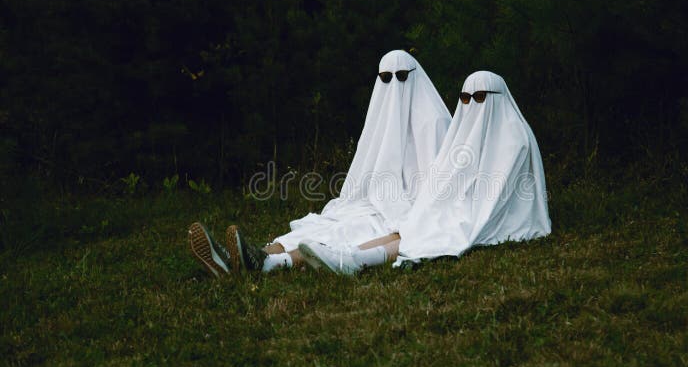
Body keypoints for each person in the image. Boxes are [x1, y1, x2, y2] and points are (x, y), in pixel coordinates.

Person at [188, 50, 451, 277]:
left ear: (414, 76)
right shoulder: (382, 117)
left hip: (408, 211)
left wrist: (403, 209)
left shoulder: (433, 122)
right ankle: (250, 255)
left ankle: (270, 263)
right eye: (385, 78)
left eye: (401, 76)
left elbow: (441, 183)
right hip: (371, 204)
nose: (393, 85)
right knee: (326, 225)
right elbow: (367, 169)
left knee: (349, 233)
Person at [298, 70, 551, 274]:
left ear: (498, 97)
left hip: (492, 213)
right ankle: (348, 255)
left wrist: (459, 211)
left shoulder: (515, 137)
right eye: (465, 98)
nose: (472, 104)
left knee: (434, 231)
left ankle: (358, 259)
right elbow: (450, 176)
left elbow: (502, 192)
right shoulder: (467, 136)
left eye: (480, 97)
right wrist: (437, 205)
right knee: (416, 225)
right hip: (462, 205)